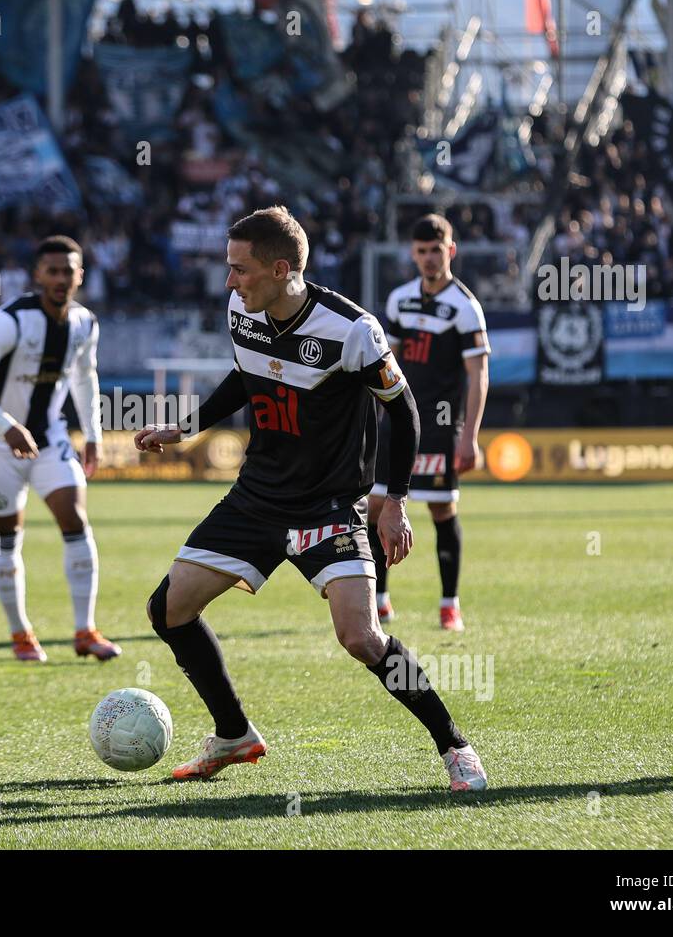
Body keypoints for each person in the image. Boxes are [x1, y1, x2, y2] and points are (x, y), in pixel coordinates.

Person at [134, 206, 487, 791]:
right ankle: (233, 733)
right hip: (256, 499)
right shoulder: (242, 311)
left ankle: (455, 747)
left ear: (280, 269)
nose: (229, 282)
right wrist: (186, 424)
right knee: (167, 610)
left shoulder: (352, 330)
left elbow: (403, 411)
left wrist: (394, 499)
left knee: (361, 637)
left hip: (328, 508)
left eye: (239, 270)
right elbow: (245, 378)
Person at [0, 236, 122, 662]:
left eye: (69, 271)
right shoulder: (10, 321)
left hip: (50, 440)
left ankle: (85, 630)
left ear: (81, 275)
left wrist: (94, 434)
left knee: (75, 517)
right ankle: (20, 634)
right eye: (53, 271)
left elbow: (85, 377)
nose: (61, 279)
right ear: (37, 275)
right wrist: (6, 426)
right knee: (5, 536)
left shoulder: (85, 323)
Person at [369, 214, 490, 632]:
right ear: (413, 254)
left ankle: (449, 604)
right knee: (374, 507)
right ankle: (379, 602)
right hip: (398, 421)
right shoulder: (399, 299)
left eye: (436, 250)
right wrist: (376, 419)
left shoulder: (465, 307)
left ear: (450, 251)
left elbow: (478, 375)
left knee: (442, 508)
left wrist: (469, 437)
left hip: (440, 424)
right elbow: (387, 365)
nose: (429, 258)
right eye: (421, 251)